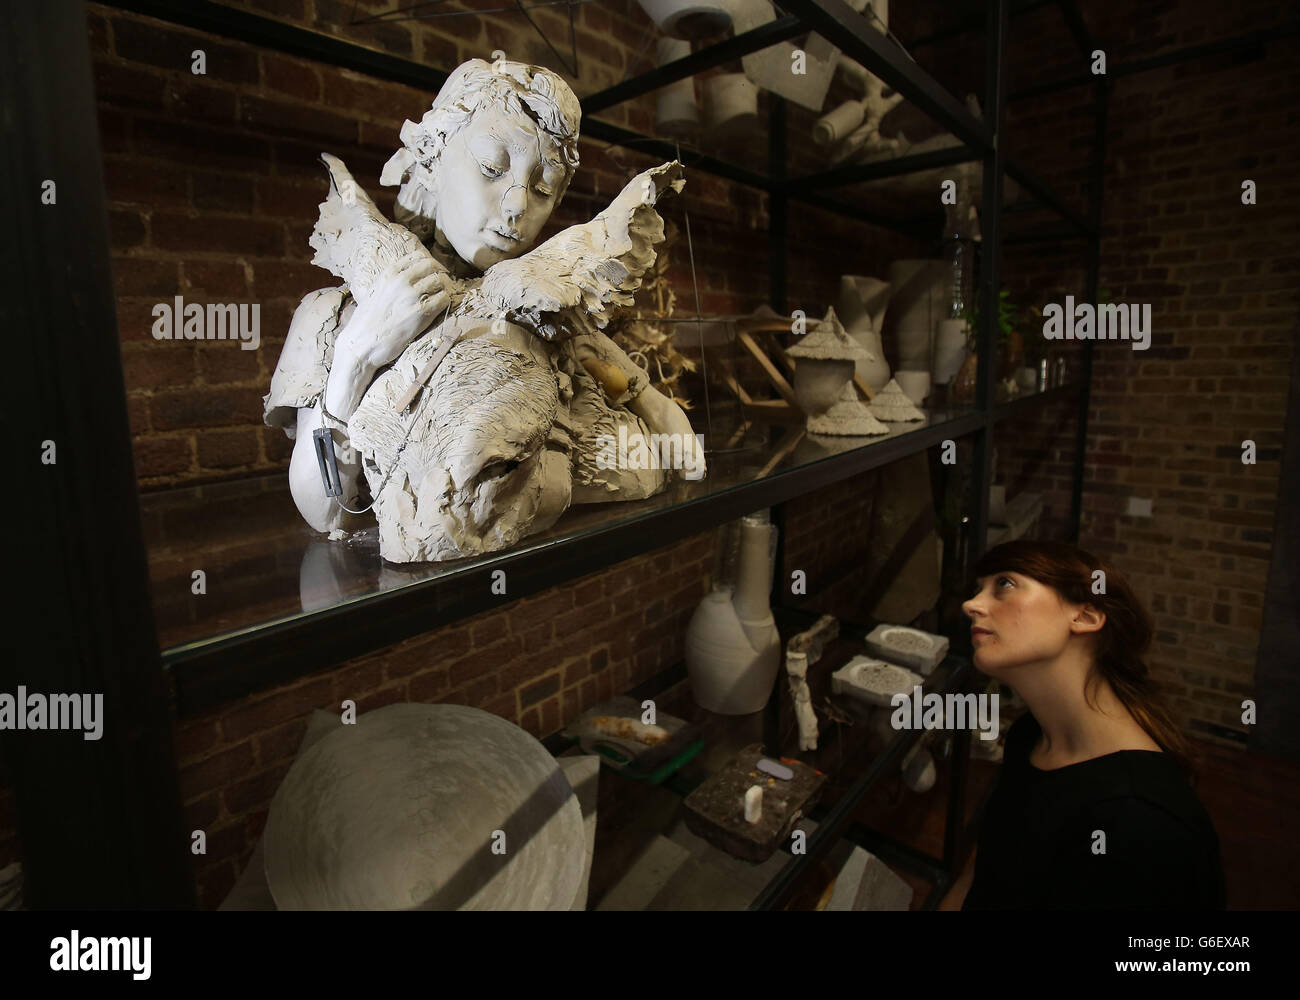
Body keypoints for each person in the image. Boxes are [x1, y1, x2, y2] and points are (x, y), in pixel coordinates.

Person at [263, 58, 699, 562]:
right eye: (492, 168)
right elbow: (325, 513)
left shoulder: (541, 308)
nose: (516, 206)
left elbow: (670, 452)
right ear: (432, 159)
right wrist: (356, 356)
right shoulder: (333, 314)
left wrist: (643, 395)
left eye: (543, 188)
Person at [950, 539, 1224, 909]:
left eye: (1005, 584)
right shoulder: (1029, 737)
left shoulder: (1141, 818)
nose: (971, 605)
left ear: (1085, 616)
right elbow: (987, 869)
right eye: (978, 589)